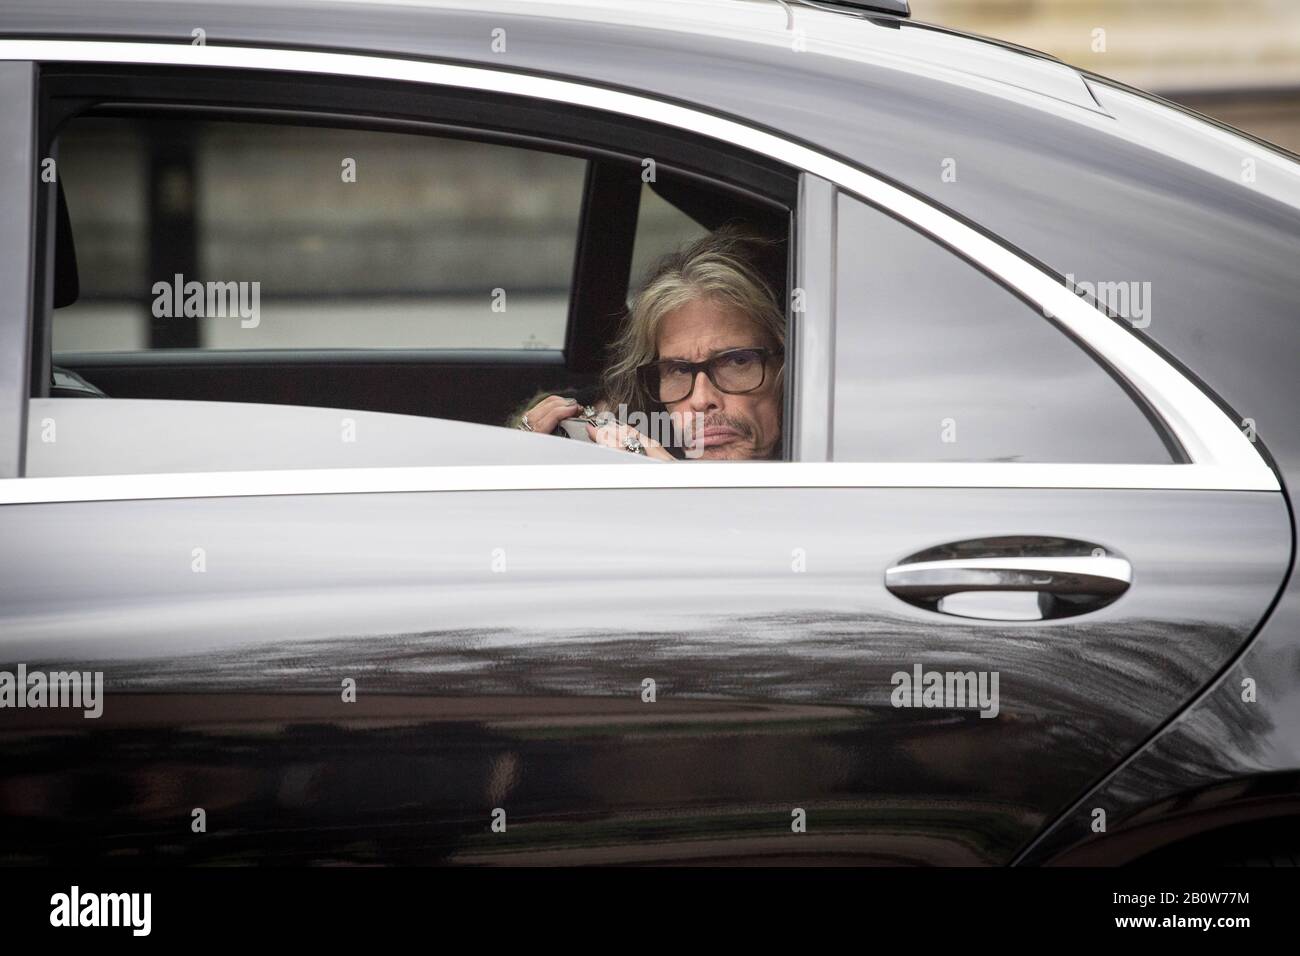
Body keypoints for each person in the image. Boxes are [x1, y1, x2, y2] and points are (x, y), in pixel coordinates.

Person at [514, 226, 785, 461]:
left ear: (789, 367)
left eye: (737, 361)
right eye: (678, 370)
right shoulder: (631, 445)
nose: (701, 400)